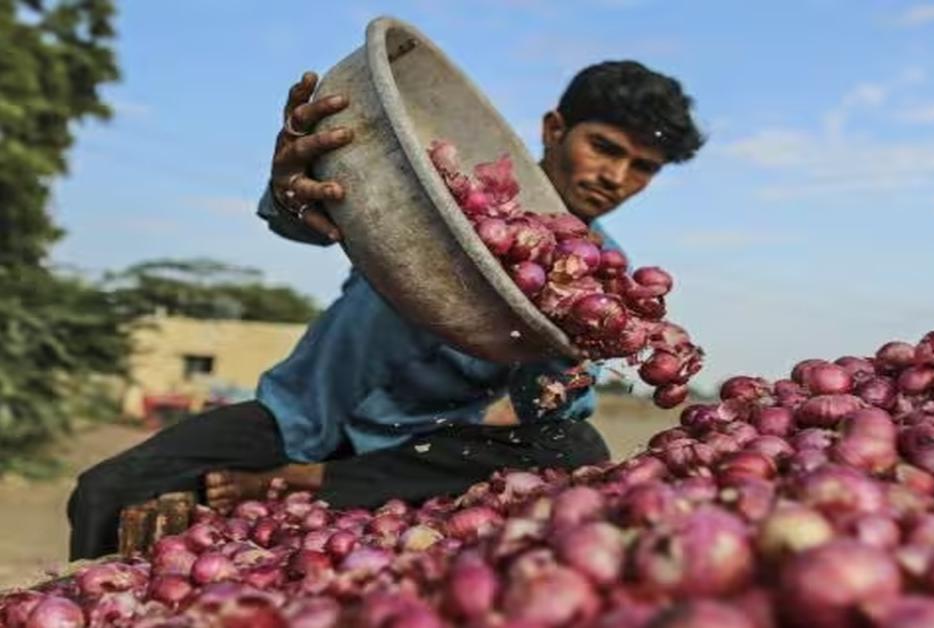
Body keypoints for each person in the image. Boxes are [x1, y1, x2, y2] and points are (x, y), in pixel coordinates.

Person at [67, 60, 705, 560]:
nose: (616, 177)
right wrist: (293, 192)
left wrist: (566, 358)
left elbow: (549, 415)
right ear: (554, 129)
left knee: (576, 445)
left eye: (641, 167)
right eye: (604, 148)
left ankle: (311, 482)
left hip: (416, 449)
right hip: (300, 416)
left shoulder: (605, 284)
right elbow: (318, 215)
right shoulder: (449, 193)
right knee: (106, 490)